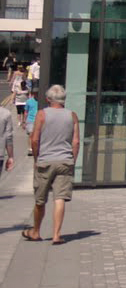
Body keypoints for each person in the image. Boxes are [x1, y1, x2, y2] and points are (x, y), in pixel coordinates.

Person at [26, 85, 80, 242]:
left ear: (48, 99)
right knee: (60, 198)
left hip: (45, 161)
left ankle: (36, 231)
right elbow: (76, 142)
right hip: (65, 161)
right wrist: (72, 160)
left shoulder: (42, 114)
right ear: (64, 99)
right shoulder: (72, 116)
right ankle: (56, 235)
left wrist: (36, 158)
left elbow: (34, 139)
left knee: (40, 199)